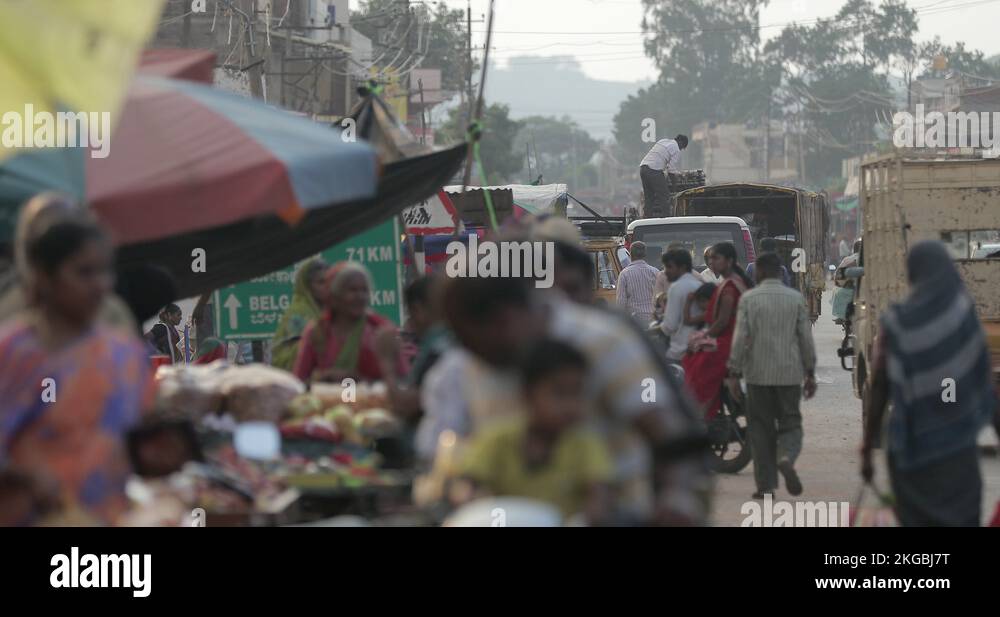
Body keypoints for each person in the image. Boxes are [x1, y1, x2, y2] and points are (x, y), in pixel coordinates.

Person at [419, 272, 710, 525]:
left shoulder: (602, 341)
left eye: (469, 339)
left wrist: (677, 497)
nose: (470, 353)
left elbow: (667, 434)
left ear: (503, 320)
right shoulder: (472, 363)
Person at [0, 205, 154, 524]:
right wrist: (28, 477)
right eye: (84, 272)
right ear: (44, 276)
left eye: (105, 271)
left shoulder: (124, 353)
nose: (101, 285)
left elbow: (136, 436)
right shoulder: (17, 352)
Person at [861, 241, 998, 526]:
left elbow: (879, 389)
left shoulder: (896, 322)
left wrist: (867, 448)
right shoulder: (963, 317)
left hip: (910, 455)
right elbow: (984, 384)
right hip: (957, 454)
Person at [458, 339, 613, 524]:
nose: (571, 406)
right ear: (527, 394)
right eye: (560, 393)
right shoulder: (496, 440)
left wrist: (585, 520)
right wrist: (471, 503)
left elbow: (598, 498)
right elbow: (466, 486)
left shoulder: (585, 444)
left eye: (577, 393)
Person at [727, 252, 817, 499]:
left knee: (760, 429)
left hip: (757, 374)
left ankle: (765, 487)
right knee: (791, 423)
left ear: (760, 272)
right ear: (779, 272)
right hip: (789, 374)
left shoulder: (749, 299)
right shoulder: (795, 299)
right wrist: (809, 371)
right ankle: (786, 455)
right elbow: (805, 339)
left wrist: (734, 372)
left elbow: (739, 338)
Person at [293, 261, 405, 384]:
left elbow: (403, 381)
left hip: (373, 402)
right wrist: (323, 378)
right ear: (335, 296)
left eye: (364, 290)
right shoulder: (318, 332)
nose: (360, 296)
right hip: (328, 401)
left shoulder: (381, 331)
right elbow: (299, 381)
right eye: (353, 290)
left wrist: (360, 381)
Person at [682, 242, 753, 419]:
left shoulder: (729, 287)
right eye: (710, 258)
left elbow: (722, 322)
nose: (712, 261)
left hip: (730, 341)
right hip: (730, 337)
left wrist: (704, 337)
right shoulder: (729, 282)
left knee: (697, 363)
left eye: (716, 258)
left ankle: (703, 412)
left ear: (729, 261)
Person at [271, 258, 327, 371]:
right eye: (320, 282)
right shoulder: (299, 313)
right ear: (307, 286)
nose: (326, 287)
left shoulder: (328, 310)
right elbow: (298, 353)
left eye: (329, 281)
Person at [659, 248, 704, 363]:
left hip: (679, 351)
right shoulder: (699, 285)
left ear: (682, 267)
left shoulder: (676, 287)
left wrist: (654, 331)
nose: (665, 271)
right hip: (698, 348)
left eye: (669, 267)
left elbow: (670, 326)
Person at [639, 134, 688, 217]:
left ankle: (647, 218)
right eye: (682, 147)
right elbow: (671, 170)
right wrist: (674, 187)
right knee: (665, 196)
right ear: (681, 143)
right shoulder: (676, 148)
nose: (681, 149)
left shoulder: (663, 141)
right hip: (654, 170)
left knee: (649, 197)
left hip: (643, 168)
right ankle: (666, 219)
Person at [616, 241, 659, 324]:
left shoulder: (624, 274)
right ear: (645, 255)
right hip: (653, 319)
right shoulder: (655, 272)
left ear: (630, 254)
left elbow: (621, 302)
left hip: (634, 321)